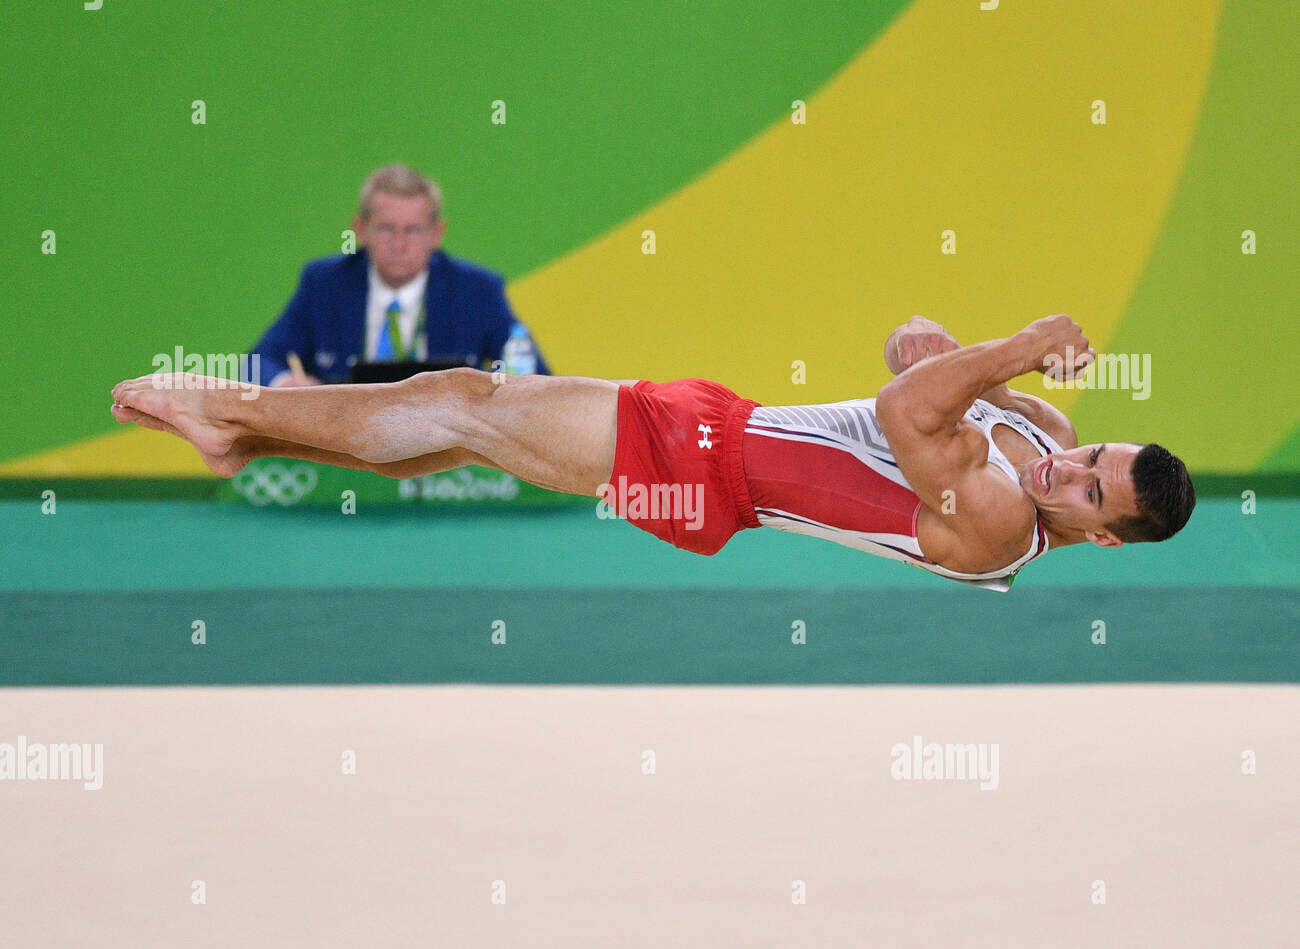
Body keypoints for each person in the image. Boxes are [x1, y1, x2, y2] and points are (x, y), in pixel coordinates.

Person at [110, 313, 1195, 591]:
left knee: (465, 401)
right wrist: (944, 348)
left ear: (1099, 537)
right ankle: (245, 439)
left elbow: (914, 413)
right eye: (1090, 450)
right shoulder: (1045, 438)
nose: (1066, 468)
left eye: (1087, 492)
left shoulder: (1004, 529)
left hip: (709, 469)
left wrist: (1007, 343)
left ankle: (232, 407)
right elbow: (914, 368)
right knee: (466, 440)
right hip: (725, 435)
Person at [249, 163, 549, 387]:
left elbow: (536, 378)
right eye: (386, 229)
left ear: (436, 234)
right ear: (361, 230)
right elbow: (255, 363)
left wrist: (488, 391)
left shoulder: (477, 291)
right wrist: (287, 384)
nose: (399, 244)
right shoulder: (325, 284)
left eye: (413, 230)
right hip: (344, 450)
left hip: (446, 451)